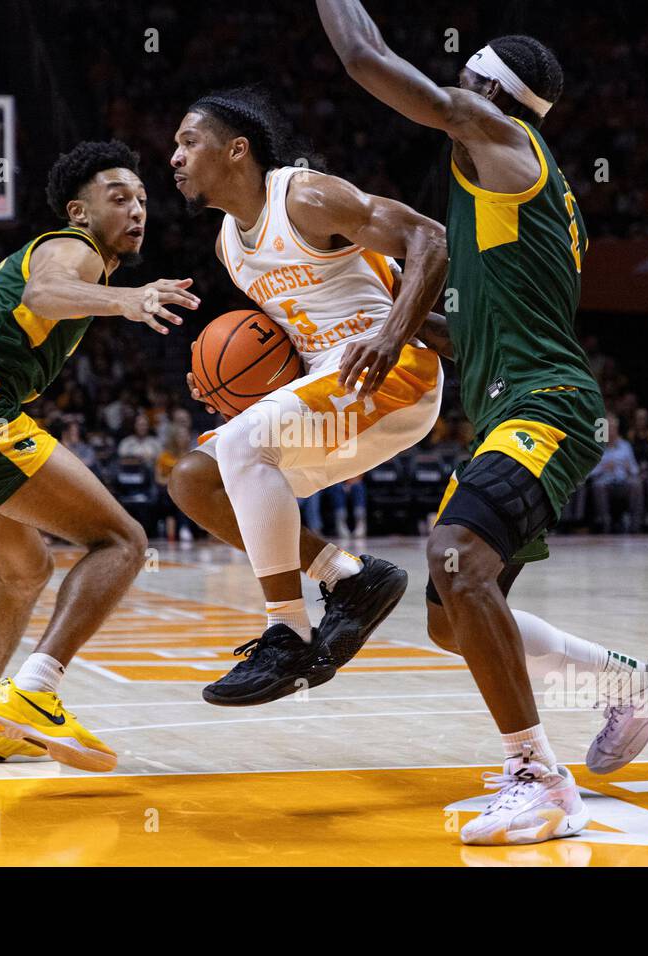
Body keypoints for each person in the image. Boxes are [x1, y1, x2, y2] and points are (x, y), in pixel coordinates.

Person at [317, 1, 648, 846]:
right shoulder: (503, 195)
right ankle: (638, 684)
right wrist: (391, 323)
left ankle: (539, 775)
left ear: (492, 93)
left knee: (455, 557)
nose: (450, 92)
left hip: (546, 406)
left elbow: (364, 55)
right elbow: (476, 331)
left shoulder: (506, 148)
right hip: (509, 406)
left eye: (463, 83)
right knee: (451, 616)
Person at [0, 140, 199, 771]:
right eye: (118, 196)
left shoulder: (83, 260)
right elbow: (46, 293)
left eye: (142, 198)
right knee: (122, 541)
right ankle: (36, 691)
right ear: (79, 210)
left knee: (23, 568)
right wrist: (127, 301)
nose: (136, 210)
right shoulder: (71, 249)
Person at [167, 86, 448, 705]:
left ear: (236, 150)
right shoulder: (228, 245)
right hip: (329, 381)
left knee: (245, 447)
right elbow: (291, 343)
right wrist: (229, 387)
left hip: (392, 372)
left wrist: (390, 338)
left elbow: (430, 239)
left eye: (189, 142)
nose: (175, 157)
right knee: (194, 479)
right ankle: (347, 577)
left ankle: (286, 633)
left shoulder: (305, 196)